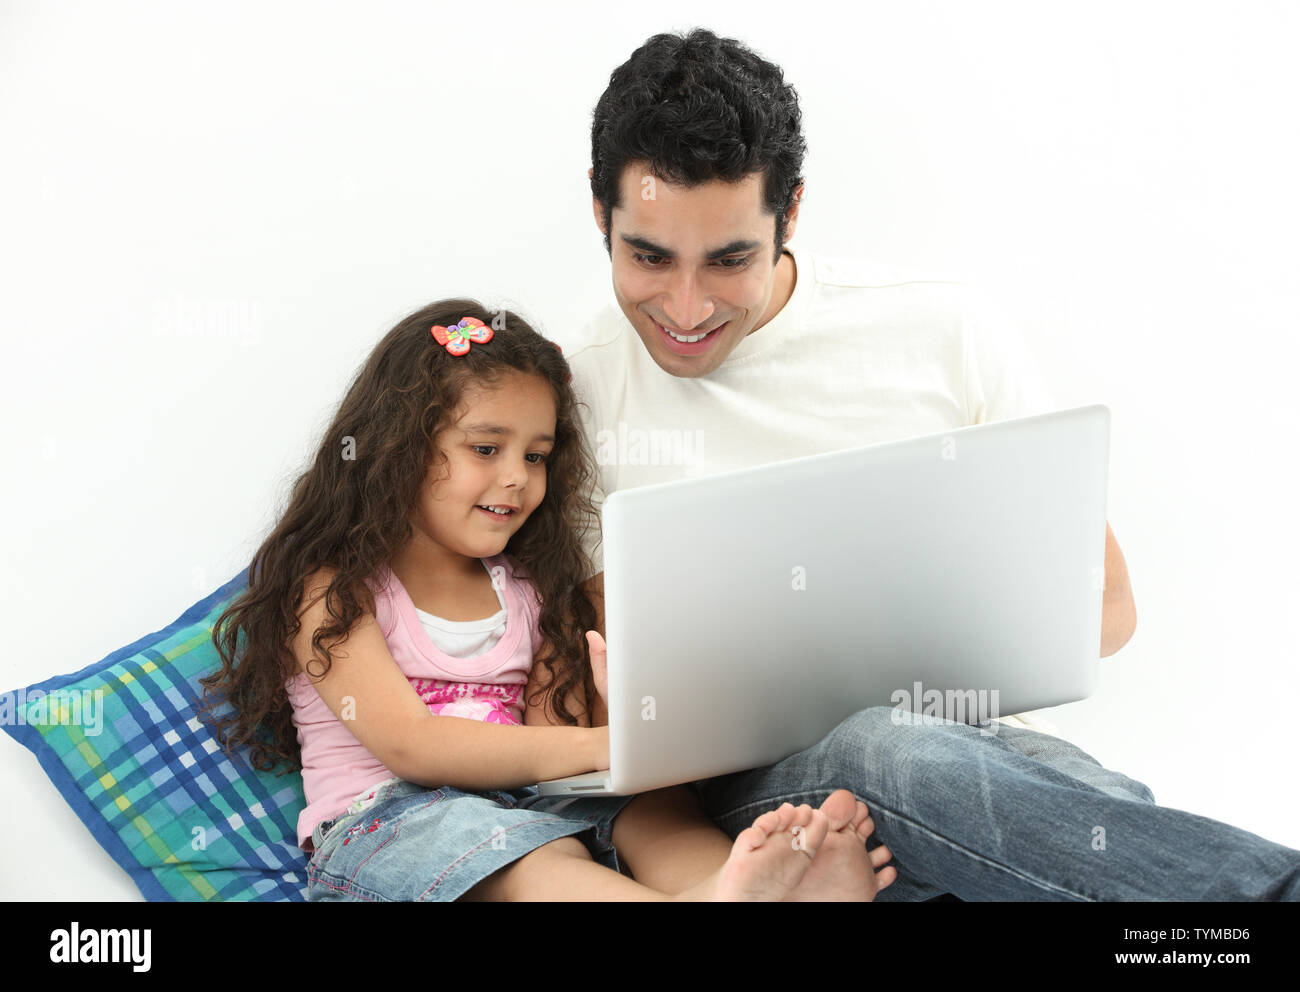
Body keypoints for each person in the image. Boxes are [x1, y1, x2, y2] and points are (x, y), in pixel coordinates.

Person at [564, 27, 1300, 900]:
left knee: (991, 782)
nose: (685, 307)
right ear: (600, 211)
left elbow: (1105, 604)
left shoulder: (940, 332)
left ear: (790, 213)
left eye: (730, 260)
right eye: (649, 257)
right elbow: (607, 709)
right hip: (748, 806)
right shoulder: (572, 399)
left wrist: (928, 671)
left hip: (986, 764)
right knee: (890, 747)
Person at [196, 299, 897, 901]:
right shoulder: (332, 588)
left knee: (645, 805)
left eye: (535, 456)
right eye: (486, 448)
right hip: (390, 830)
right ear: (397, 449)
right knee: (524, 853)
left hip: (525, 806)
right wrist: (598, 742)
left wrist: (625, 725)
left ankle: (728, 881)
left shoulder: (528, 588)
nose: (517, 480)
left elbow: (553, 743)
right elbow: (414, 746)